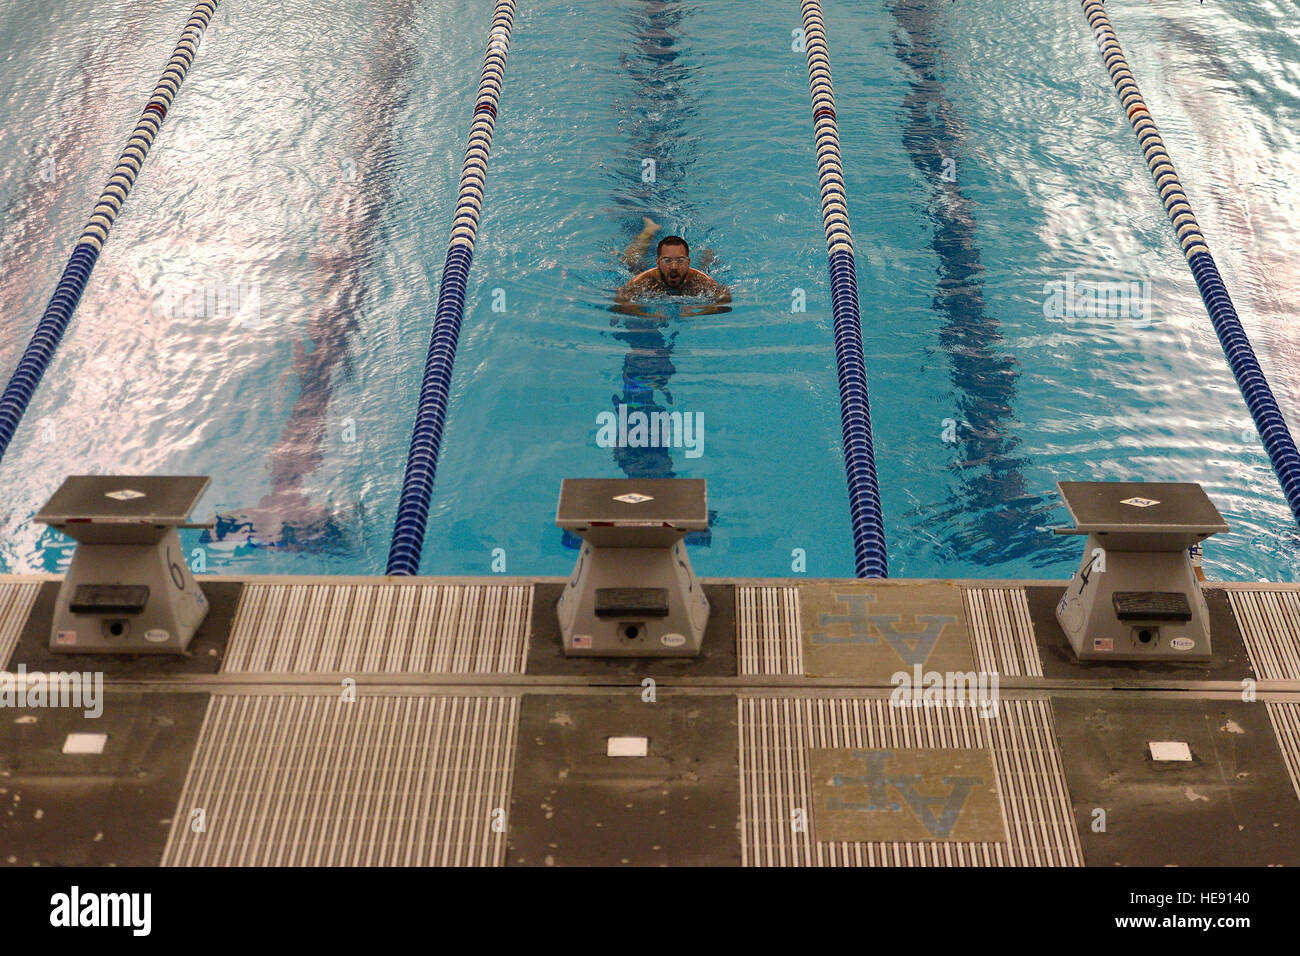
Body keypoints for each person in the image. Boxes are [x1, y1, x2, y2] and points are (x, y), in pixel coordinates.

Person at [614, 218, 731, 317]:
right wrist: (648, 316)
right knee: (632, 264)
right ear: (658, 262)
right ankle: (649, 230)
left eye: (680, 260)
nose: (674, 267)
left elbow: (725, 300)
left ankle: (707, 246)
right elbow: (620, 303)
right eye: (667, 260)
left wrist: (698, 313)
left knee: (707, 267)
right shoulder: (645, 281)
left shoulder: (700, 280)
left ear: (688, 262)